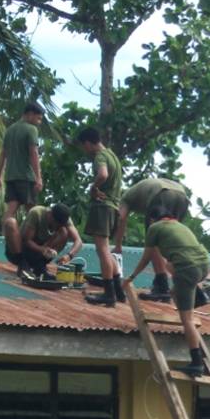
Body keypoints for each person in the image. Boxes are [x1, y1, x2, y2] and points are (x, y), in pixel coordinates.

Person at [124, 206, 210, 376]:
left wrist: (131, 277)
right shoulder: (179, 226)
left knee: (187, 320)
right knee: (170, 265)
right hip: (203, 265)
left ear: (151, 219)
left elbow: (147, 257)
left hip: (186, 268)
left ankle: (196, 363)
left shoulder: (154, 228)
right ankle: (197, 292)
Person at [114, 177, 190, 301]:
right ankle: (182, 284)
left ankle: (162, 286)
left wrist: (118, 245)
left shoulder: (125, 198)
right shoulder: (138, 191)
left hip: (161, 194)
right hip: (182, 196)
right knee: (172, 239)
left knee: (154, 240)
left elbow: (121, 218)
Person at [77, 127, 125, 307]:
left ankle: (109, 294)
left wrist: (93, 187)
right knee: (106, 248)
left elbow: (103, 174)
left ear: (88, 143)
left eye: (84, 146)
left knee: (102, 250)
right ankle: (118, 291)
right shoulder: (112, 155)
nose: (85, 150)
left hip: (103, 207)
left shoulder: (100, 157)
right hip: (113, 206)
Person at [0, 102, 45, 240]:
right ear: (30, 114)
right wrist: (38, 177)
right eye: (38, 118)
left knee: (11, 209)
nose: (39, 122)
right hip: (26, 176)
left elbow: (3, 154)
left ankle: (5, 238)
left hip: (10, 177)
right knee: (32, 210)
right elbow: (34, 153)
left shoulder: (10, 130)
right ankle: (32, 240)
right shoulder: (31, 129)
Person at [6, 203, 82, 281]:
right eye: (56, 223)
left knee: (64, 232)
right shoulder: (36, 213)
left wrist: (69, 256)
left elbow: (78, 241)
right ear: (50, 215)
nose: (56, 227)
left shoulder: (65, 219)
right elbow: (26, 241)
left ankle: (40, 267)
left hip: (37, 255)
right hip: (20, 252)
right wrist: (43, 249)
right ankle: (23, 265)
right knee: (10, 222)